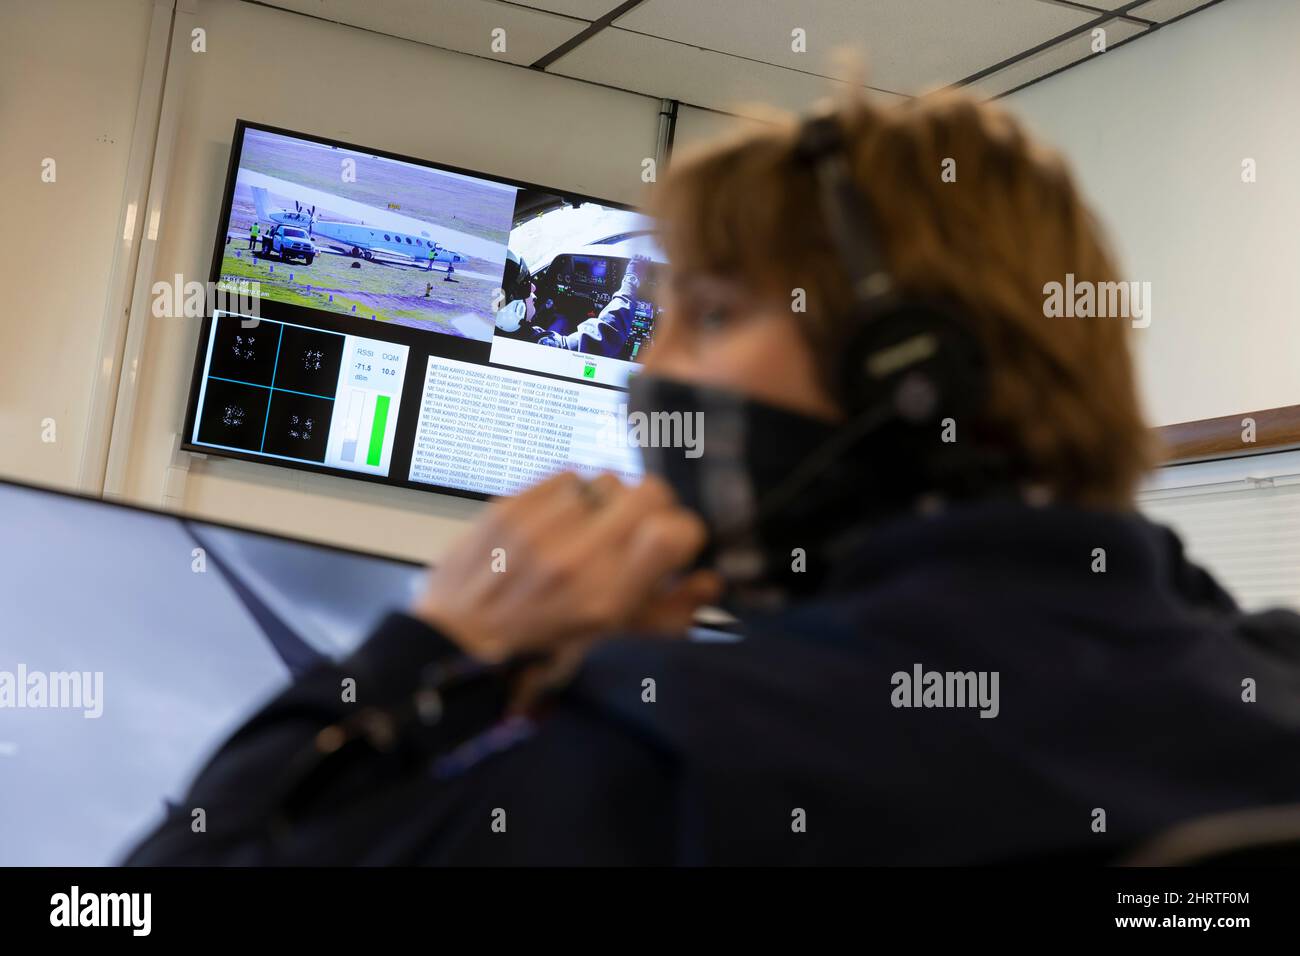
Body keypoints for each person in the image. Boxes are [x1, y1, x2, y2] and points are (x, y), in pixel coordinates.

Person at [127, 90, 1300, 866]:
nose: (650, 369)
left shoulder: (647, 769)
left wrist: (434, 646)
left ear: (912, 373)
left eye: (713, 313)